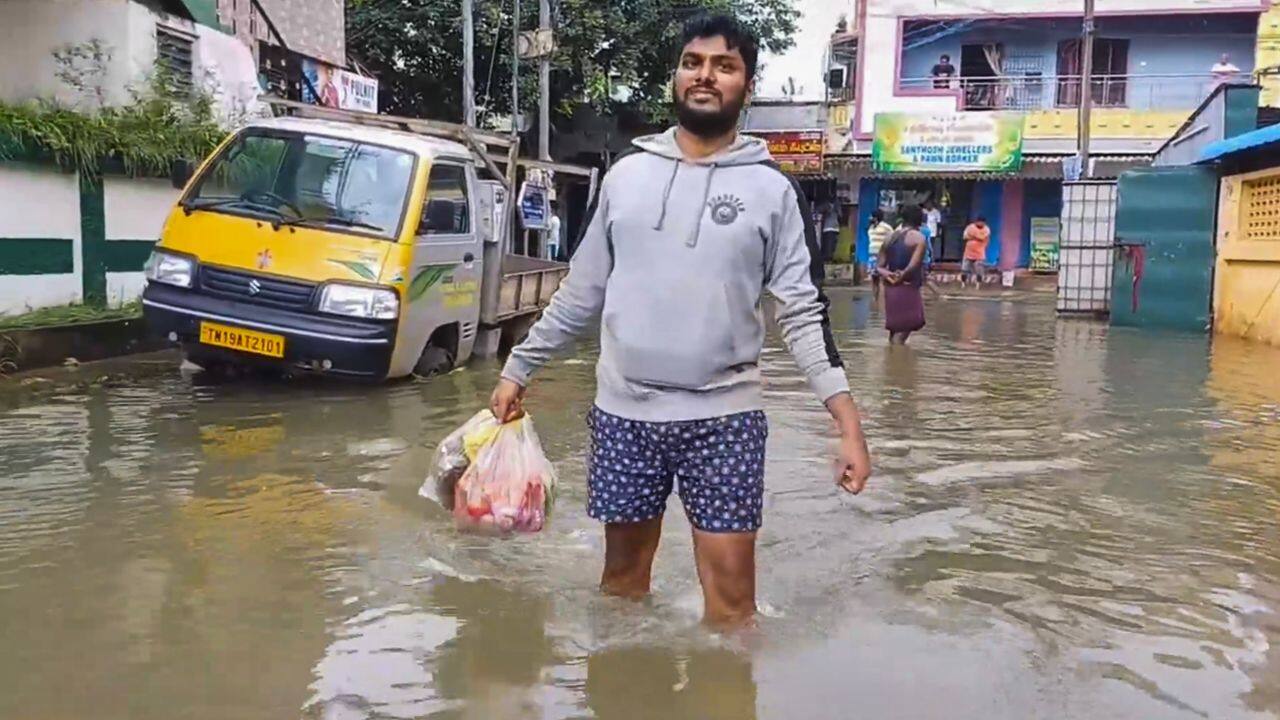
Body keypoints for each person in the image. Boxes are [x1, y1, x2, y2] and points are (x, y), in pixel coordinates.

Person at [489, 13, 872, 629]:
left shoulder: (773, 191)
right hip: (623, 415)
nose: (705, 76)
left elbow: (803, 314)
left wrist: (847, 424)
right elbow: (580, 293)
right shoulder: (625, 177)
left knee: (732, 609)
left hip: (724, 419)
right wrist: (518, 370)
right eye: (693, 63)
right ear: (676, 76)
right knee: (619, 588)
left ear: (747, 84)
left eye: (725, 66)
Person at [877, 204, 927, 344]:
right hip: (907, 287)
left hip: (891, 289)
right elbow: (913, 265)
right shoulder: (919, 238)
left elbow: (879, 267)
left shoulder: (890, 237)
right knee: (904, 331)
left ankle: (890, 360)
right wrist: (902, 275)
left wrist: (889, 275)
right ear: (920, 220)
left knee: (895, 330)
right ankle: (897, 361)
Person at [867, 209, 893, 299]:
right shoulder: (871, 227)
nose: (869, 218)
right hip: (872, 256)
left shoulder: (886, 227)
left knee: (884, 277)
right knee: (874, 279)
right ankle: (875, 298)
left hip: (882, 255)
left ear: (875, 217)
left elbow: (892, 237)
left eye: (871, 216)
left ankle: (885, 299)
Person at [962, 216, 991, 289]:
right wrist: (977, 237)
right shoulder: (970, 227)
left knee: (979, 270)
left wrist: (973, 236)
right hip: (968, 252)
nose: (980, 223)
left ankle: (978, 285)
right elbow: (965, 236)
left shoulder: (986, 229)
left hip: (979, 253)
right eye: (979, 222)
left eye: (982, 222)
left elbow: (983, 237)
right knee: (965, 269)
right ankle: (963, 284)